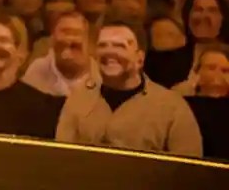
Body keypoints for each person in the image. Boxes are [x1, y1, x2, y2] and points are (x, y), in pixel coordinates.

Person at [55, 20, 202, 156]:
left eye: (120, 46)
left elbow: (188, 172)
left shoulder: (172, 108)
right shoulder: (77, 100)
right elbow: (62, 161)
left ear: (139, 59)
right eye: (103, 45)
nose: (109, 52)